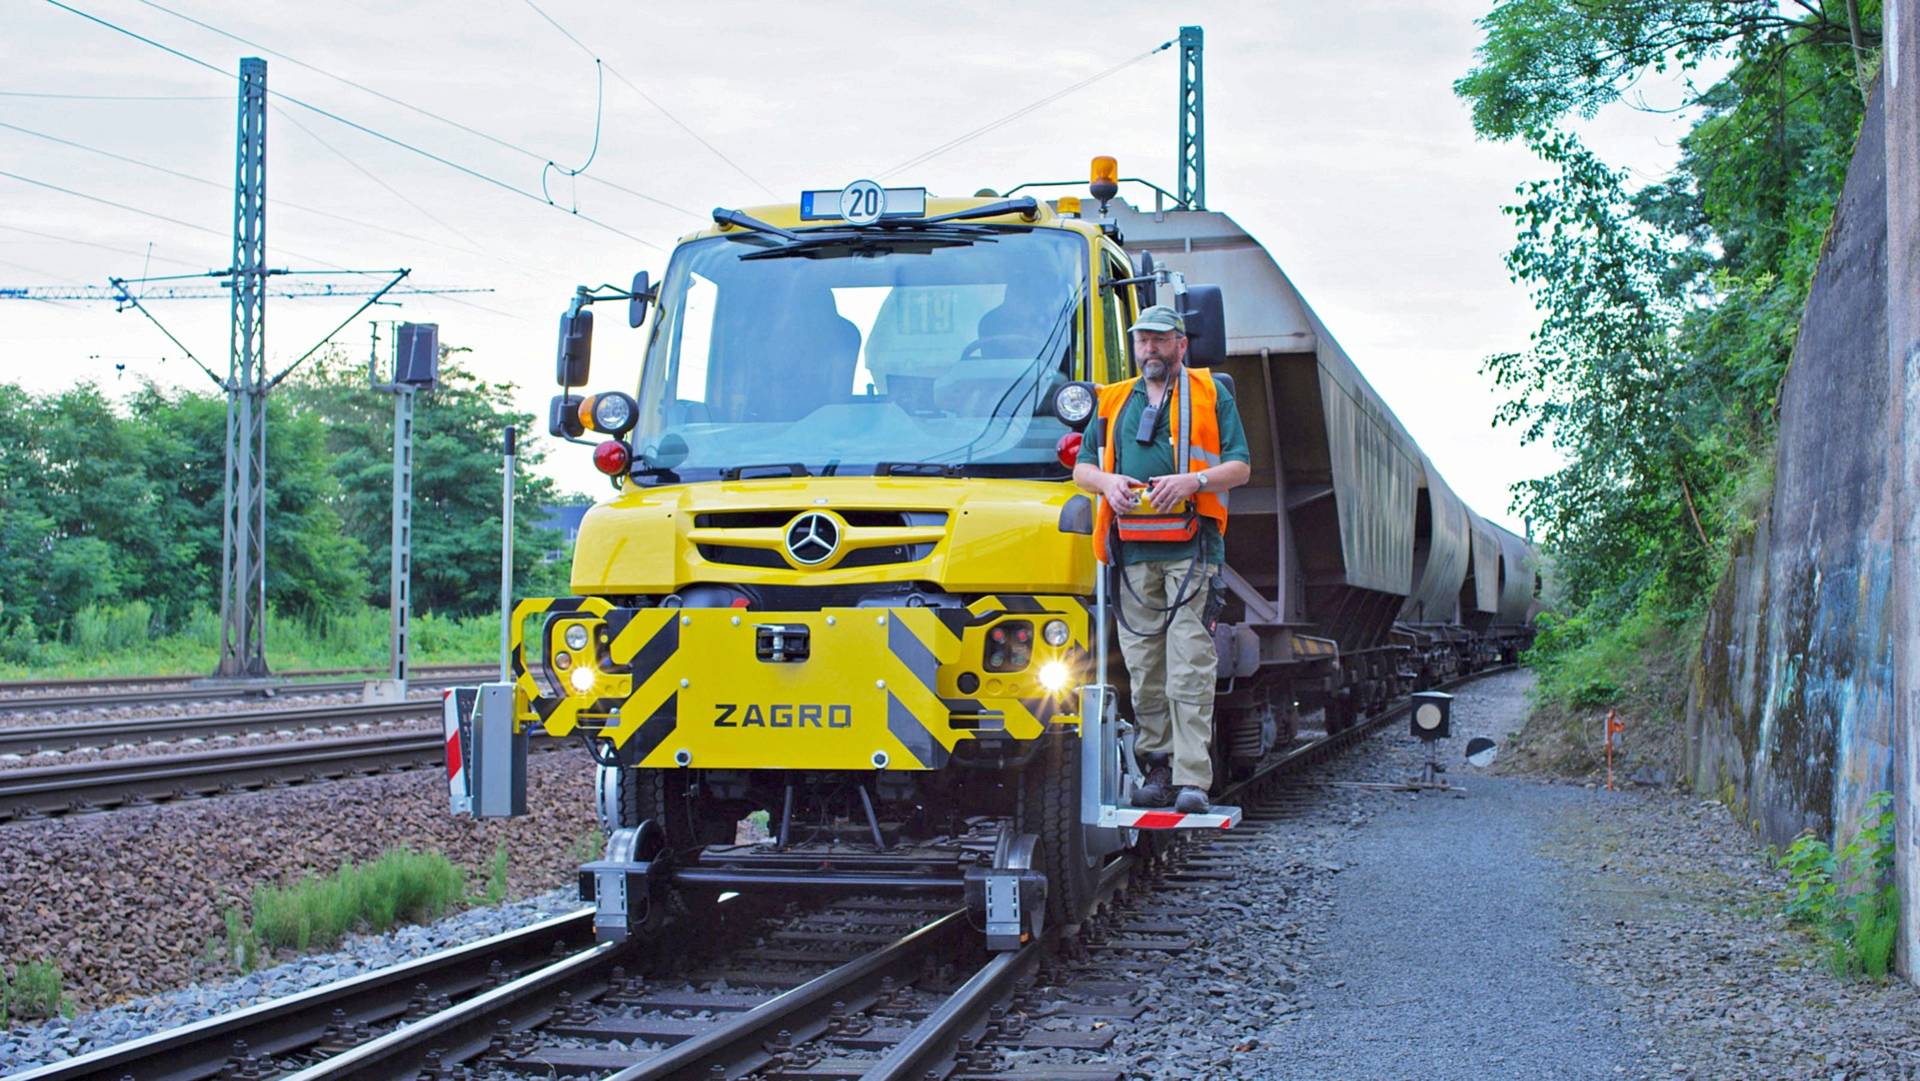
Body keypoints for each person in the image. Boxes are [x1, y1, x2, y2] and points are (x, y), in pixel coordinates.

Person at [1072, 304, 1251, 814]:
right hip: (1133, 554)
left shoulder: (1211, 394)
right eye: (1142, 341)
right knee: (1145, 667)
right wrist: (1108, 483)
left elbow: (1240, 466)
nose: (1148, 348)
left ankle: (1193, 778)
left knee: (1189, 664)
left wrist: (1191, 482)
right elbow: (1084, 468)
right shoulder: (1112, 402)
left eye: (1158, 340)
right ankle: (1159, 769)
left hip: (1193, 551)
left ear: (1180, 344)